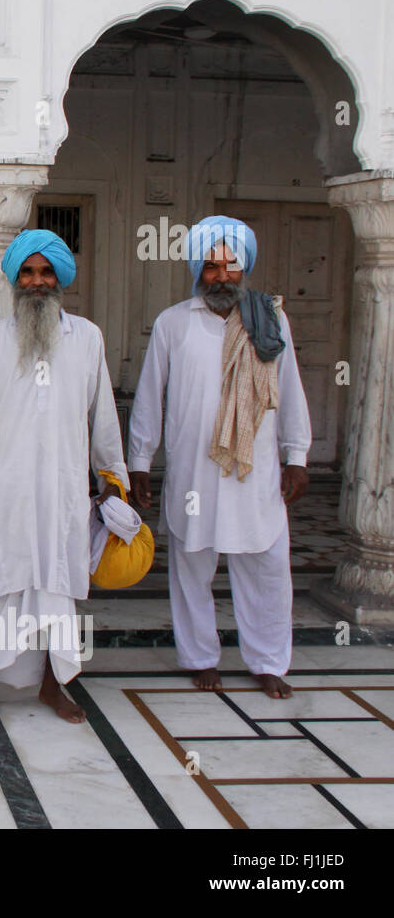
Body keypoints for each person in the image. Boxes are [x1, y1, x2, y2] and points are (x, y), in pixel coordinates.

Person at [128, 215, 310, 699]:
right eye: (211, 267)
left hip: (256, 468)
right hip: (194, 470)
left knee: (267, 565)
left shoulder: (271, 319)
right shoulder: (173, 323)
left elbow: (289, 389)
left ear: (244, 268)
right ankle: (200, 656)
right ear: (197, 271)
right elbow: (150, 397)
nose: (222, 276)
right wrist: (140, 463)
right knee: (191, 563)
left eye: (230, 266)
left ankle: (268, 660)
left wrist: (297, 455)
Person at [0, 229, 127, 724]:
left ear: (60, 279)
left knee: (60, 584)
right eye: (28, 273)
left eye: (45, 272)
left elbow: (103, 416)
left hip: (65, 490)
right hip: (6, 491)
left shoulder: (88, 338)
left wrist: (112, 476)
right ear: (15, 279)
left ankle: (55, 687)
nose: (36, 281)